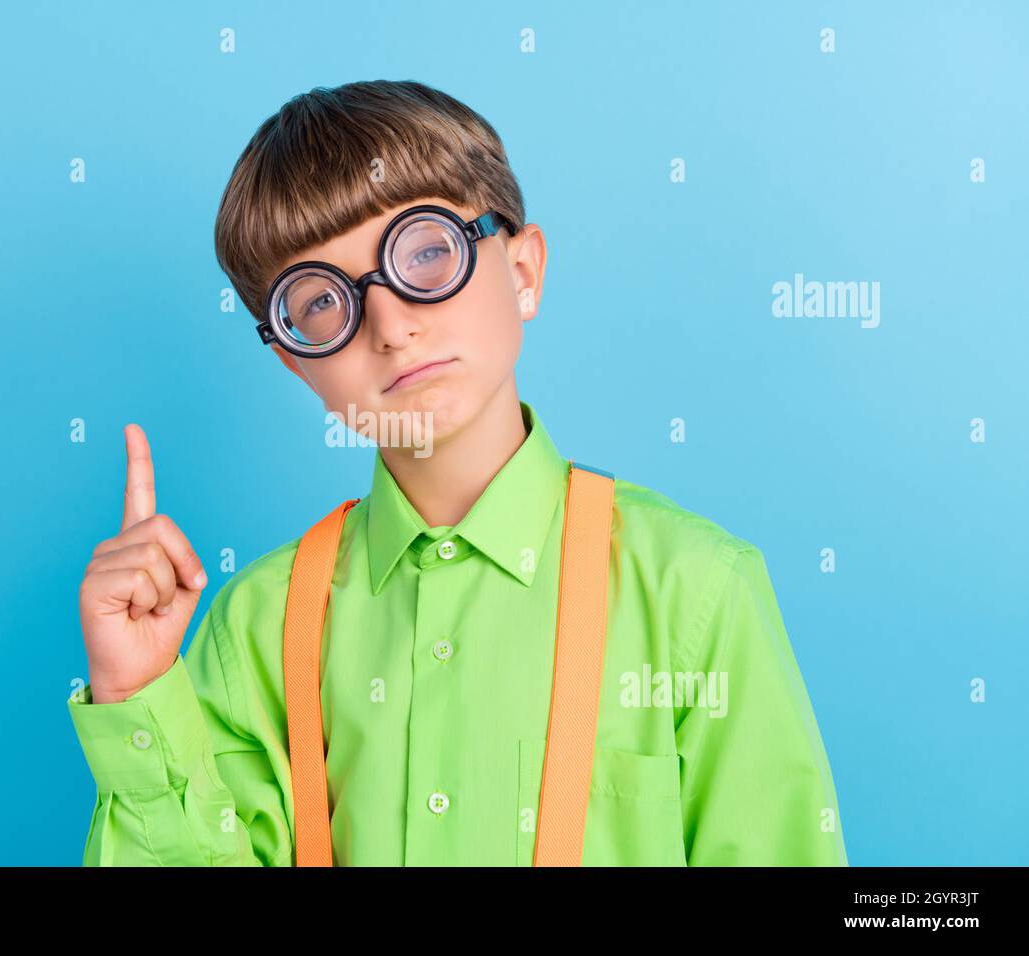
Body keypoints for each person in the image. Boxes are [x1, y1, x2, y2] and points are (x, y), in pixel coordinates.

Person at [67, 79, 848, 866]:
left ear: (523, 272)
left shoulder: (694, 589)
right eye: (321, 303)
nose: (392, 325)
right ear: (295, 363)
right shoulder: (256, 631)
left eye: (426, 252)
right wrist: (135, 697)